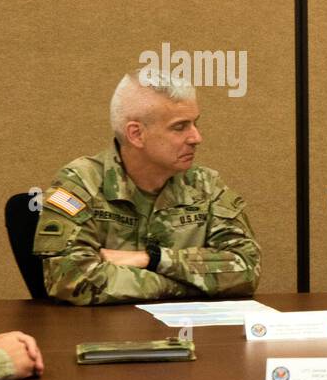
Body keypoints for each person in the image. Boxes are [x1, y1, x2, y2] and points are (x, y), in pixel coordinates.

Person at [33, 71, 262, 306]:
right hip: (105, 335)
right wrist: (187, 284)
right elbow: (70, 278)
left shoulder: (205, 185)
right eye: (180, 127)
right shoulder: (82, 183)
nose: (196, 137)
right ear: (136, 134)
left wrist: (153, 259)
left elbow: (246, 268)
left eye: (195, 123)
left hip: (189, 334)